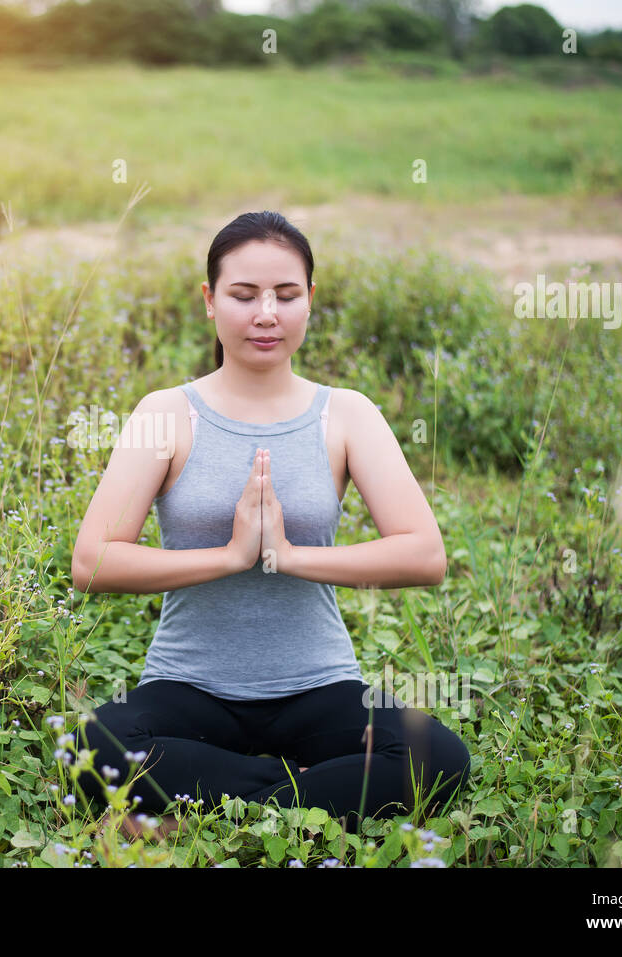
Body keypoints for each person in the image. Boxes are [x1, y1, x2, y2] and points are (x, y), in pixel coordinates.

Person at [68, 210, 472, 842]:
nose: (266, 314)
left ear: (310, 301)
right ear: (209, 301)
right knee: (96, 746)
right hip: (189, 685)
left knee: (439, 759)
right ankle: (309, 794)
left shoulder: (347, 415)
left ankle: (207, 807)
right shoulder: (167, 414)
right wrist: (229, 556)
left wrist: (287, 555)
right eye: (243, 294)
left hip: (318, 685)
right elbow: (92, 562)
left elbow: (424, 556)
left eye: (286, 296)